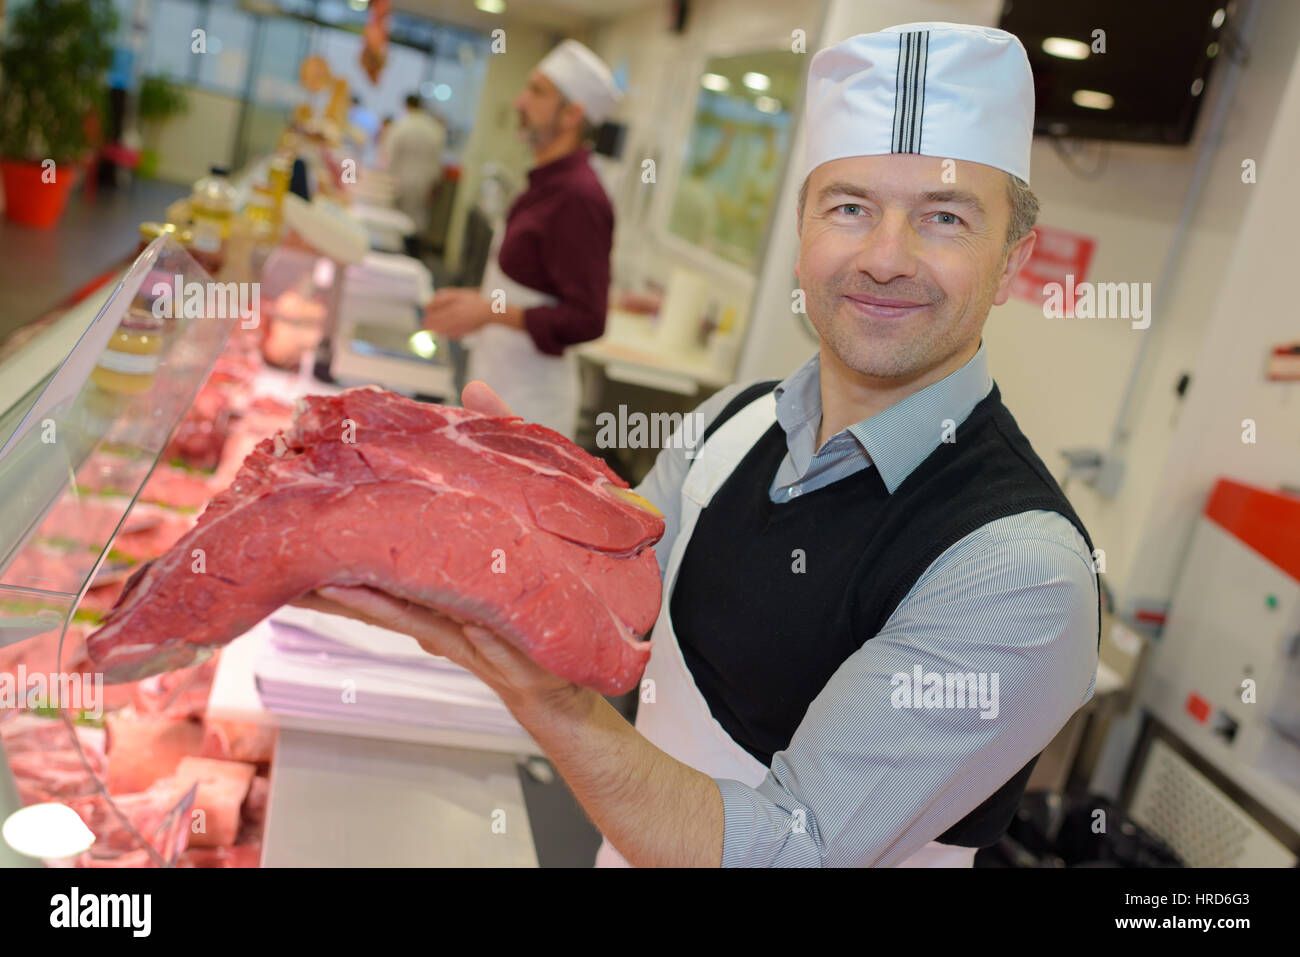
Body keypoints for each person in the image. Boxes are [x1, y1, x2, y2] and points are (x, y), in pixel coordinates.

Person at [301, 22, 1101, 867]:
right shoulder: (733, 421)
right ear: (802, 233)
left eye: (943, 217)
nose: (885, 257)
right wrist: (493, 507)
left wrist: (550, 703)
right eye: (850, 208)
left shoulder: (1019, 568)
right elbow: (611, 613)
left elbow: (789, 851)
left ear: (1014, 261)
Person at [421, 39, 618, 440]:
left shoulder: (579, 196)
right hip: (497, 381)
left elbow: (588, 318)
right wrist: (473, 299)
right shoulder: (544, 181)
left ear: (572, 114)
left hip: (531, 403)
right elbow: (528, 285)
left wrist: (489, 312)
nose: (520, 102)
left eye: (537, 91)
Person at [383, 93, 446, 256]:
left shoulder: (401, 126)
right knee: (418, 225)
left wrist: (388, 180)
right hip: (425, 183)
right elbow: (438, 160)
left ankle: (398, 258)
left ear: (407, 106)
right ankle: (413, 256)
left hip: (402, 181)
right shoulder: (435, 129)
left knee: (399, 226)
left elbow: (390, 157)